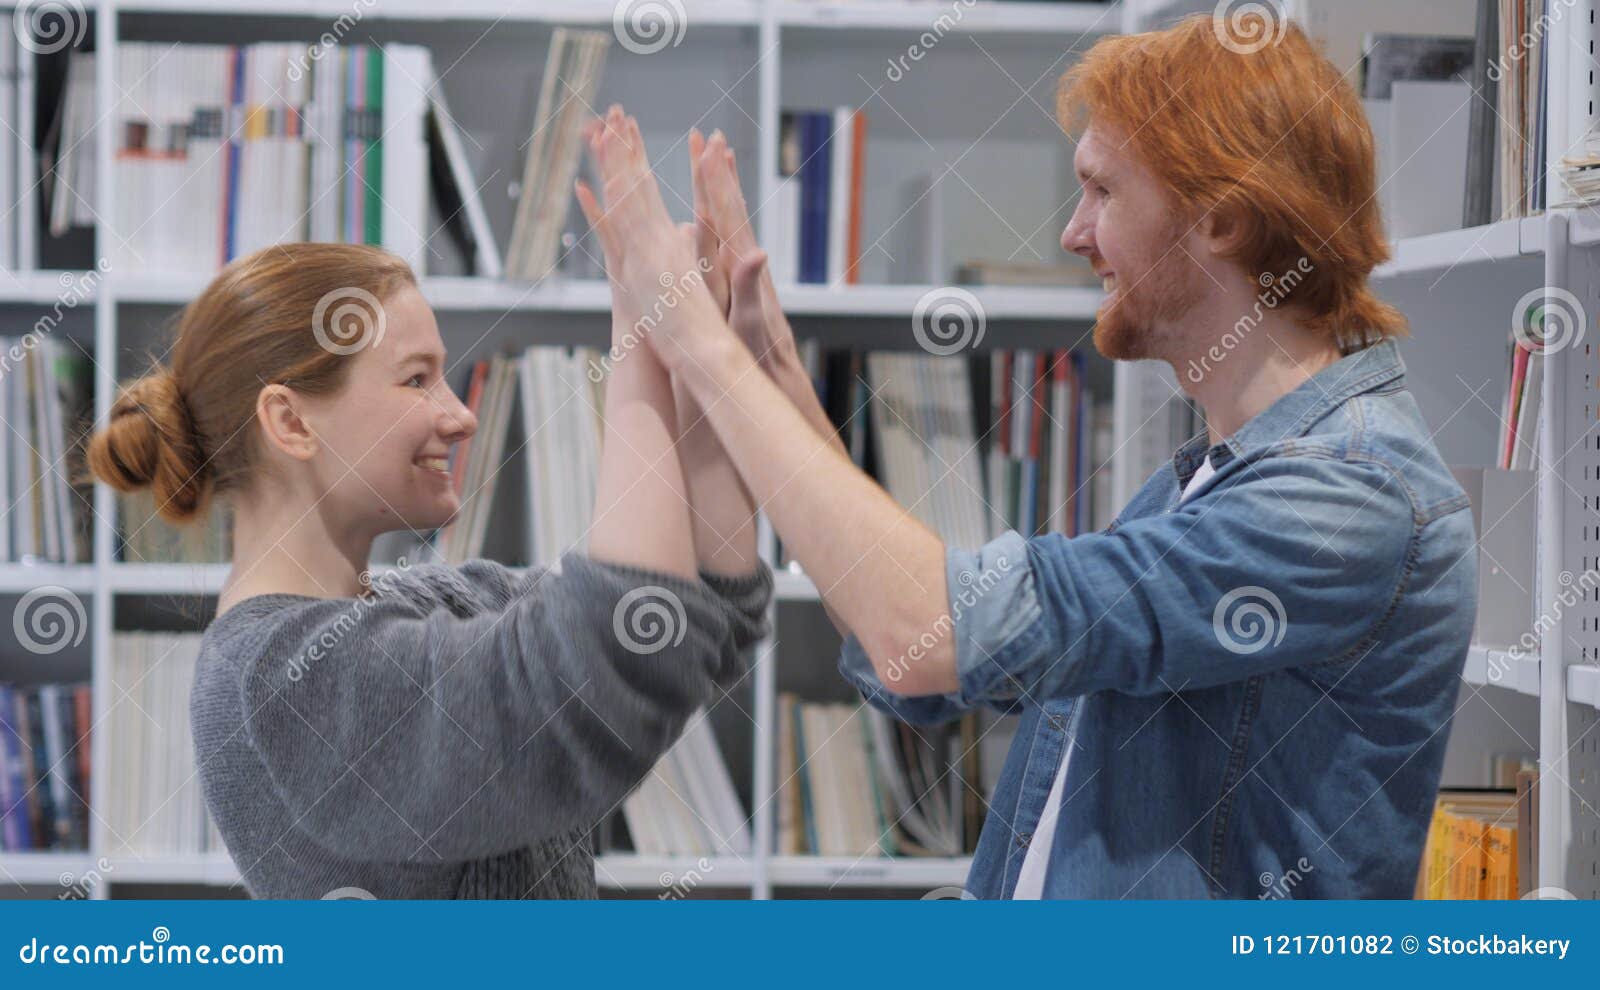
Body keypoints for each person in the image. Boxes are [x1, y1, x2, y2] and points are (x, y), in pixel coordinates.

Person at [586, 13, 1477, 899]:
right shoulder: (1207, 478)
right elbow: (936, 660)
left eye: (1101, 191)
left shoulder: (1347, 496)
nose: (1073, 233)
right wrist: (771, 367)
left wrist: (698, 349)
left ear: (1223, 220)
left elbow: (915, 641)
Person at [84, 234, 772, 898]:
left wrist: (715, 370)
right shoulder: (282, 677)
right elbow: (611, 649)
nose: (460, 416)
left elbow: (683, 626)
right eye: (418, 379)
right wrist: (640, 340)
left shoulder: (436, 600)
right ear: (292, 424)